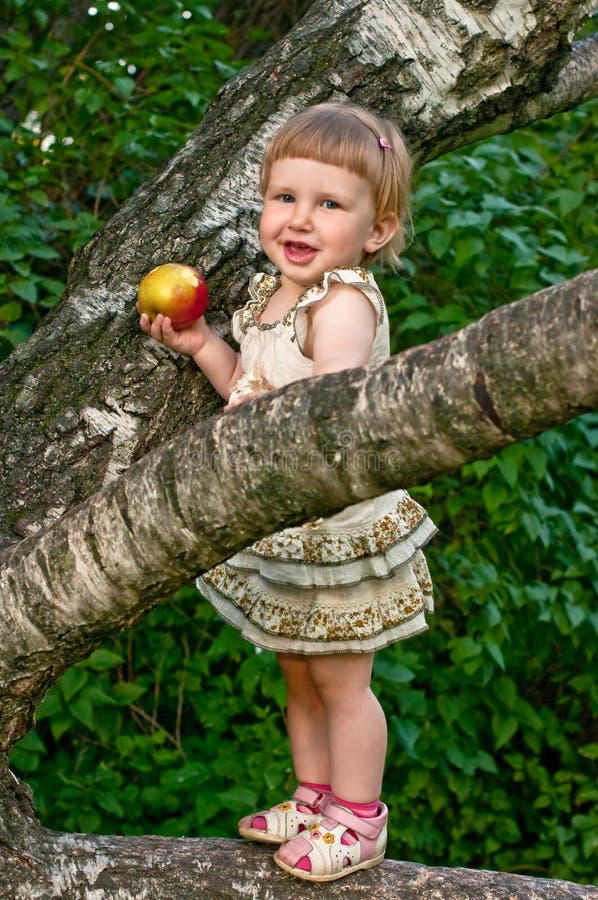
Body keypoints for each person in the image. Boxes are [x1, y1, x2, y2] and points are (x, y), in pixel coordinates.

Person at [138, 102, 436, 883]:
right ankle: (313, 797)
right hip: (285, 517)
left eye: (329, 204)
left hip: (336, 525)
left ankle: (360, 817)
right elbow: (251, 384)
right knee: (296, 668)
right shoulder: (273, 297)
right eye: (285, 198)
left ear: (376, 230)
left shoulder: (341, 302)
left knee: (343, 681)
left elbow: (326, 399)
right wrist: (205, 343)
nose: (300, 219)